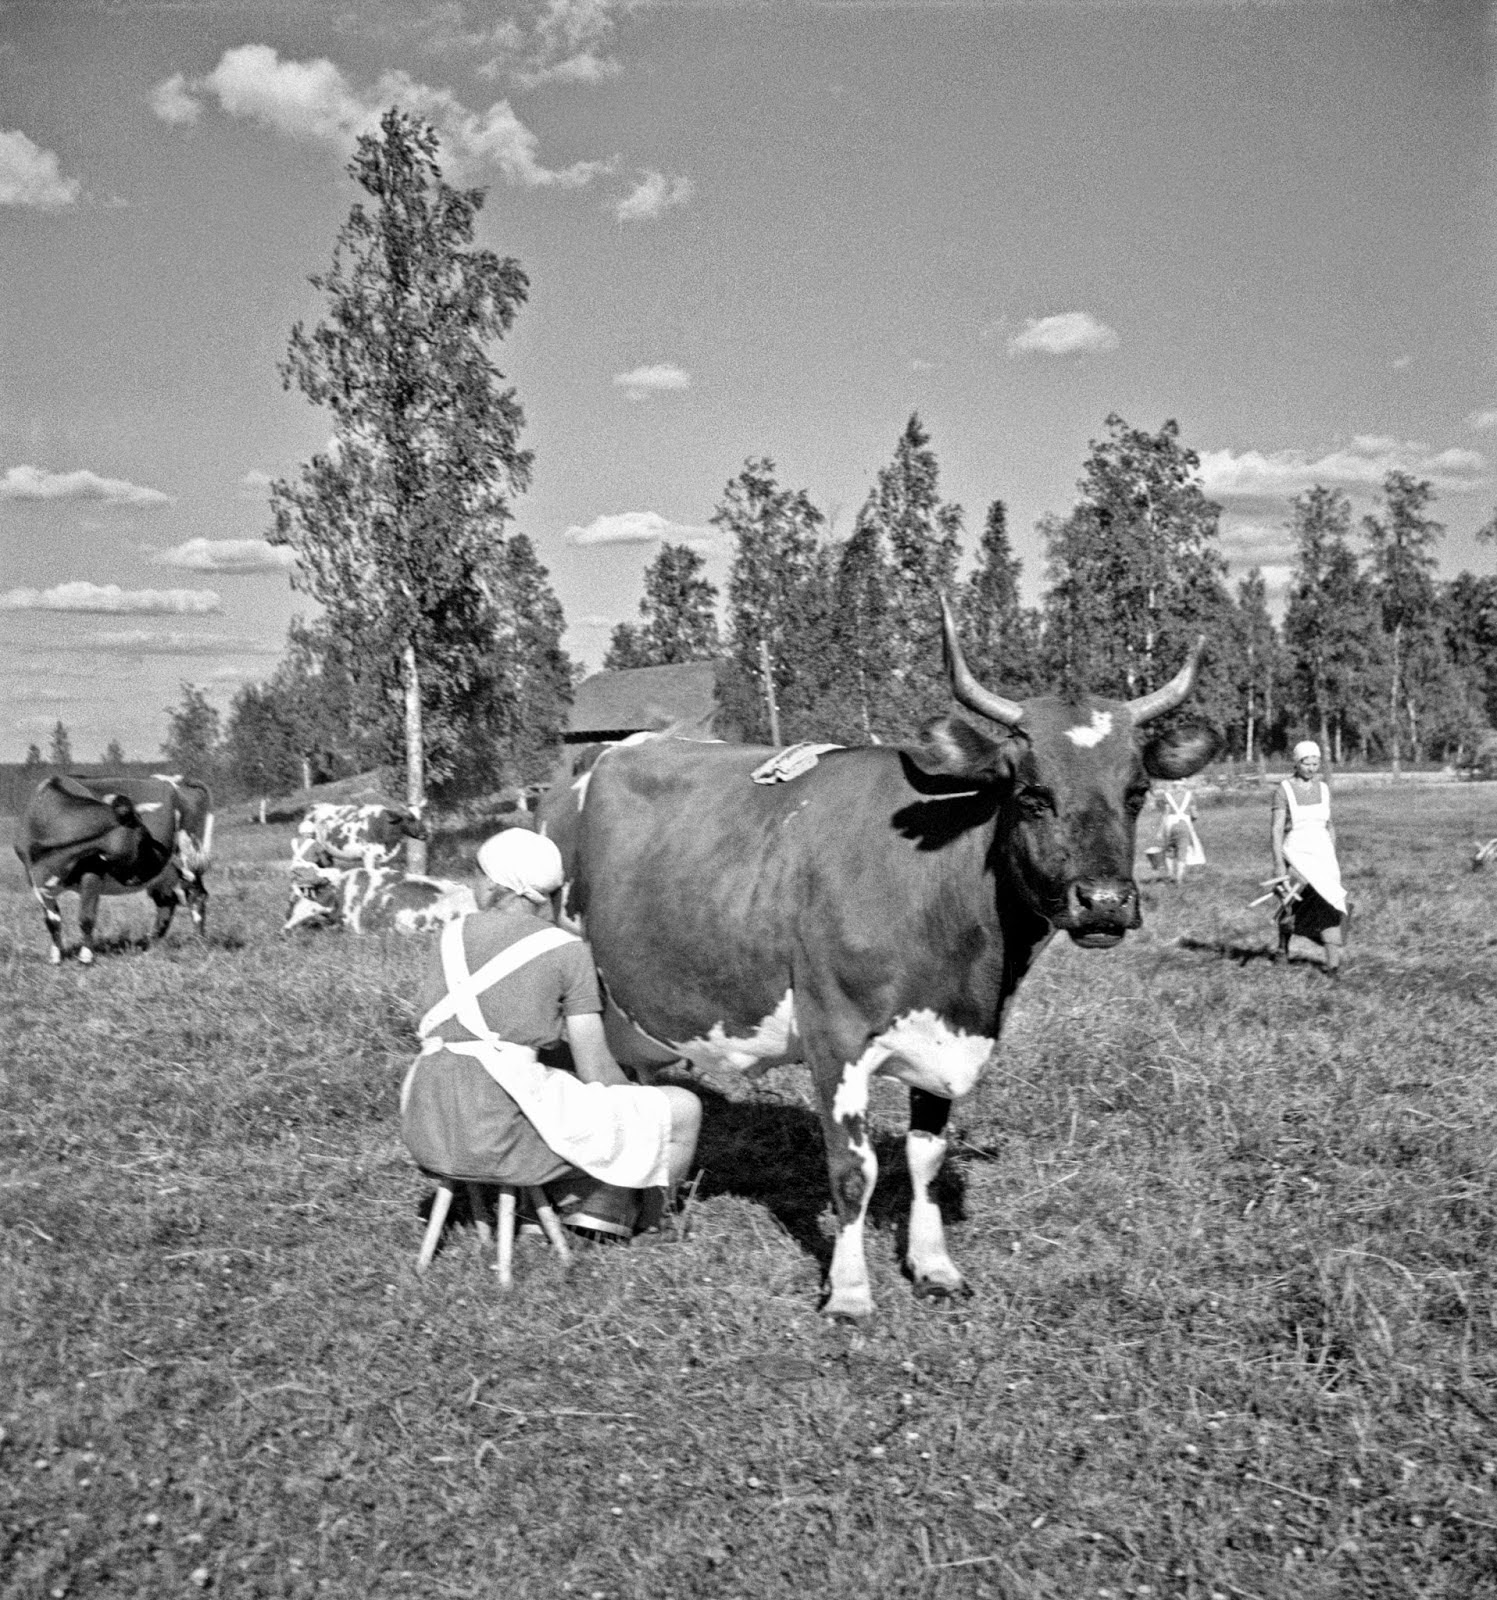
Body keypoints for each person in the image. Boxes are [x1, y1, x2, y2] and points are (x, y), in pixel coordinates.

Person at [400, 828, 702, 1244]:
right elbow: (596, 1069)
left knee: (547, 1076)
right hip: (503, 1143)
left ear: (492, 883)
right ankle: (652, 1223)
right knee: (681, 1108)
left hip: (427, 1128)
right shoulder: (567, 950)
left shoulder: (449, 935)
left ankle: (540, 1211)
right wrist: (634, 1100)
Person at [1270, 740, 1349, 976]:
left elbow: (1329, 824)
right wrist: (1278, 864)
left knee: (1330, 902)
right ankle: (1282, 948)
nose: (1312, 768)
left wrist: (1331, 853)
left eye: (1316, 764)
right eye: (1307, 764)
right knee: (1292, 903)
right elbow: (1276, 828)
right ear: (1296, 763)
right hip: (1296, 854)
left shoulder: (1323, 789)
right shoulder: (1283, 790)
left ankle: (1332, 964)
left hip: (1323, 855)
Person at [1151, 779, 1204, 885]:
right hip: (1184, 825)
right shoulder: (1189, 796)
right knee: (1182, 852)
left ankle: (1170, 875)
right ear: (1183, 785)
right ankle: (1179, 879)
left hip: (1170, 826)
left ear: (1173, 785)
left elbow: (1165, 814)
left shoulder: (1167, 796)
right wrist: (1191, 818)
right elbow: (1194, 815)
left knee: (1169, 851)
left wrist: (1160, 831)